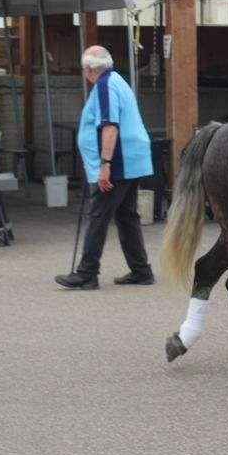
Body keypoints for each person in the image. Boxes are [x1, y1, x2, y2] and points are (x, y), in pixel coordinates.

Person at [55, 46, 155, 290]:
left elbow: (110, 126)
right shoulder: (117, 80)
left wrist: (105, 165)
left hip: (119, 161)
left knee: (98, 216)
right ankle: (141, 270)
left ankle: (87, 273)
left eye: (84, 69)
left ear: (89, 69)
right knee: (126, 216)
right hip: (132, 158)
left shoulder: (104, 86)